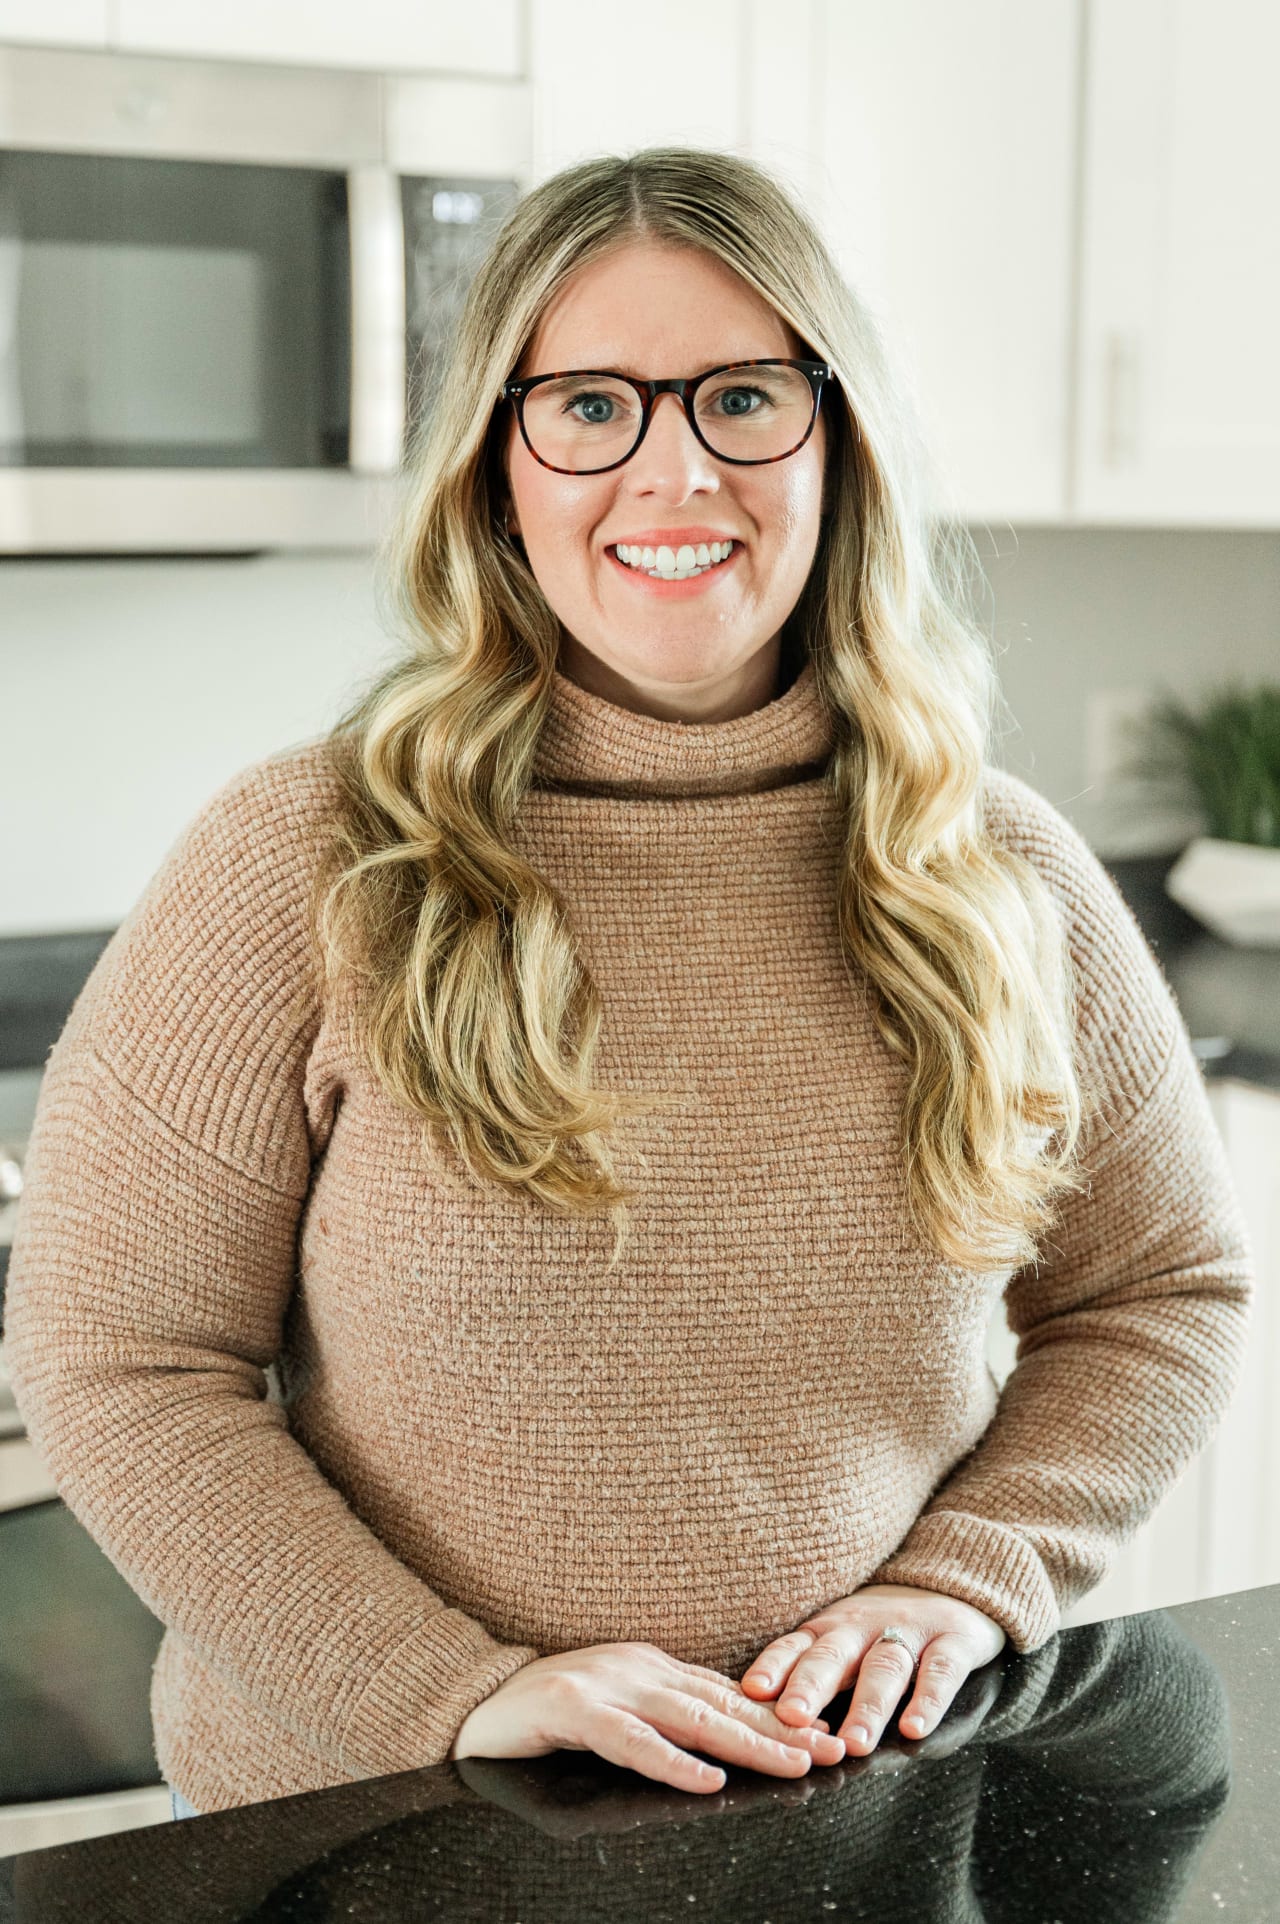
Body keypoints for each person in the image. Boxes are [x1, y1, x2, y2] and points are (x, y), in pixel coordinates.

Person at [4, 148, 1253, 1820]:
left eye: (743, 396)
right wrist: (453, 1689)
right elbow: (118, 1362)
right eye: (590, 407)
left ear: (837, 447)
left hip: (855, 1816)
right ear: (497, 466)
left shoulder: (995, 870)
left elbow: (1159, 1291)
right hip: (379, 1827)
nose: (674, 475)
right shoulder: (304, 855)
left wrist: (968, 1576)